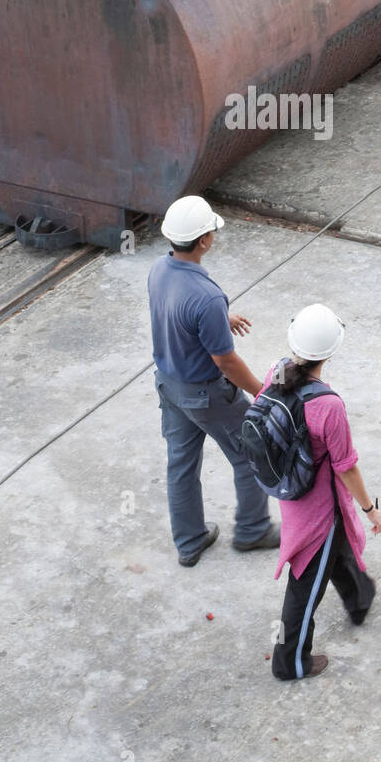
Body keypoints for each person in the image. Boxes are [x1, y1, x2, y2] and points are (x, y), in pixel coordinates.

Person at [148, 194, 279, 566]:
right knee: (252, 454)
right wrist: (262, 392)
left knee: (181, 465)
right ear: (204, 240)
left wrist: (221, 317)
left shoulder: (158, 269)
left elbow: (174, 310)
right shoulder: (207, 298)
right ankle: (253, 531)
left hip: (169, 386)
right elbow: (226, 361)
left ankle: (189, 543)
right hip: (207, 395)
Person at [264, 304, 381, 681]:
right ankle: (290, 662)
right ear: (330, 352)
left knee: (335, 551)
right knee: (306, 584)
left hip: (291, 493)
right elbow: (345, 465)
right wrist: (370, 509)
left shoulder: (277, 372)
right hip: (319, 509)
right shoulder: (328, 406)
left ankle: (359, 597)